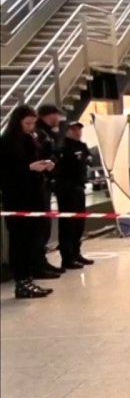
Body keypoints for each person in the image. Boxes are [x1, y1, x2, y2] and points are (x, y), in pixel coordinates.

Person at [1, 105, 56, 298]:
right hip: (17, 199)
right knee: (19, 241)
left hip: (33, 195)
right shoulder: (7, 142)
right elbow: (7, 172)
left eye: (33, 123)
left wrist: (44, 165)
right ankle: (21, 281)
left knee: (32, 239)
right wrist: (28, 168)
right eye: (27, 123)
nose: (31, 127)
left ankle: (28, 277)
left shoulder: (30, 139)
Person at [55, 121, 94, 270]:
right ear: (66, 131)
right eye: (73, 130)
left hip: (79, 187)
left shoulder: (82, 146)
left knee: (79, 222)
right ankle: (67, 256)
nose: (77, 132)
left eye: (79, 129)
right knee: (68, 224)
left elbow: (87, 160)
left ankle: (76, 252)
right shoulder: (62, 147)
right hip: (66, 188)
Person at [33, 104, 63, 275]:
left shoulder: (47, 133)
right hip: (40, 184)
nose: (58, 120)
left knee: (44, 226)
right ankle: (37, 264)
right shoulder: (39, 133)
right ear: (49, 115)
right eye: (56, 116)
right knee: (40, 226)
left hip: (46, 183)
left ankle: (41, 261)